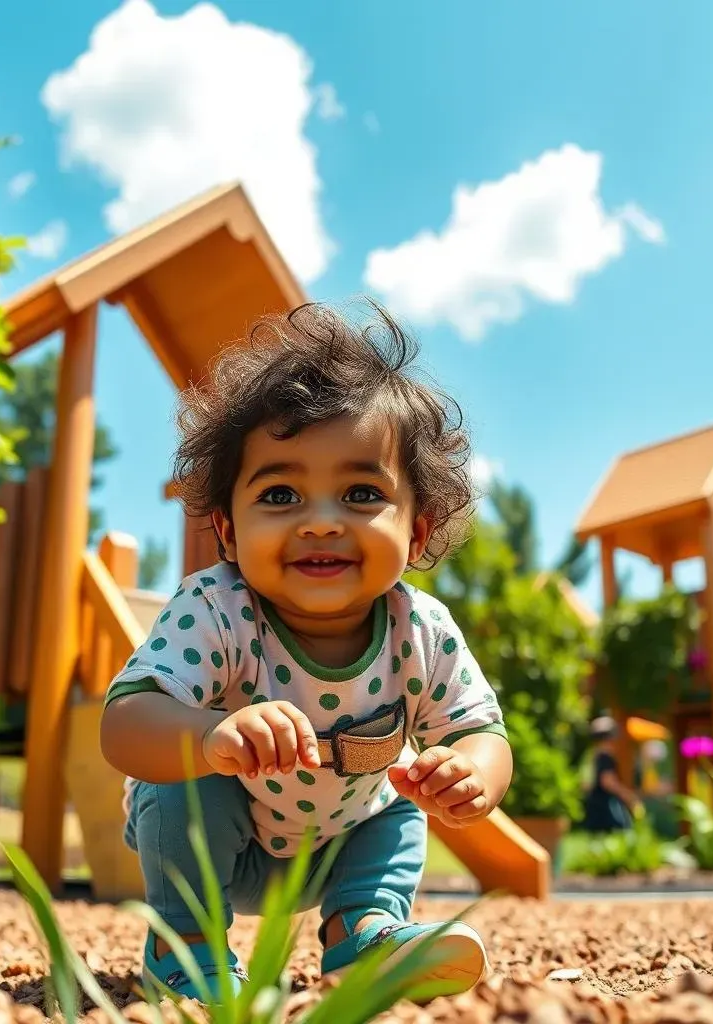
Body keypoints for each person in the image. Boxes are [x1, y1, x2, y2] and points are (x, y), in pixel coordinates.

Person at [100, 301, 512, 1003]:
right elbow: (125, 721)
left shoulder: (423, 629)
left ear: (417, 533)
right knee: (177, 783)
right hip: (224, 842)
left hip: (340, 841)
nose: (321, 522)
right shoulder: (216, 608)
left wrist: (471, 773)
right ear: (229, 532)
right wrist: (209, 737)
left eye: (360, 493)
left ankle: (365, 936)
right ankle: (187, 948)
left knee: (401, 805)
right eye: (283, 492)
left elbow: (480, 730)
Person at [580, 716, 641, 833]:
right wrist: (628, 796)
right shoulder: (605, 757)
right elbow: (608, 782)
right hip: (605, 805)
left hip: (593, 803)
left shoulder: (591, 755)